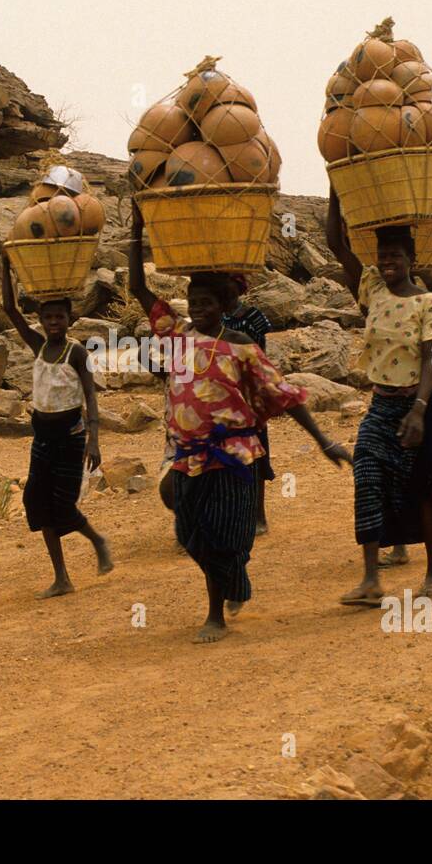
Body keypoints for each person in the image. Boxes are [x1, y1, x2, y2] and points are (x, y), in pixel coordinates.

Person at [129, 206, 349, 642]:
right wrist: (138, 229)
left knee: (221, 533)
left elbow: (282, 396)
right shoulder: (176, 336)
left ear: (224, 305)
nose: (199, 309)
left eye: (207, 303)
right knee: (189, 531)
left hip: (234, 456)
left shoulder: (241, 345)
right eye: (193, 303)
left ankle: (216, 614)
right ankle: (234, 579)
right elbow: (137, 286)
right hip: (188, 456)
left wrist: (323, 442)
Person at [324, 197, 432, 605]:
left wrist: (420, 409)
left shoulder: (428, 303)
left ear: (411, 259)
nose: (388, 263)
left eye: (395, 256)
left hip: (418, 404)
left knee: (426, 487)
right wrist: (335, 187)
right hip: (380, 405)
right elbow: (336, 243)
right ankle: (371, 581)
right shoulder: (372, 289)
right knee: (366, 478)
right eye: (383, 256)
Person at [1, 255, 113, 598]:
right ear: (40, 320)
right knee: (37, 502)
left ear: (70, 318)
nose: (53, 322)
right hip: (43, 439)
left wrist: (94, 439)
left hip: (70, 438)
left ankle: (97, 540)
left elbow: (90, 397)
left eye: (59, 316)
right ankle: (62, 577)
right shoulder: (37, 345)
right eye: (47, 317)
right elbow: (9, 309)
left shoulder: (75, 353)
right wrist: (5, 266)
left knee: (63, 505)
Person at [221, 274, 274, 534]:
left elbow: (259, 355)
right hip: (223, 394)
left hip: (250, 393)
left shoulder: (253, 317)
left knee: (257, 455)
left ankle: (259, 516)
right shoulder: (215, 318)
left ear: (239, 287)